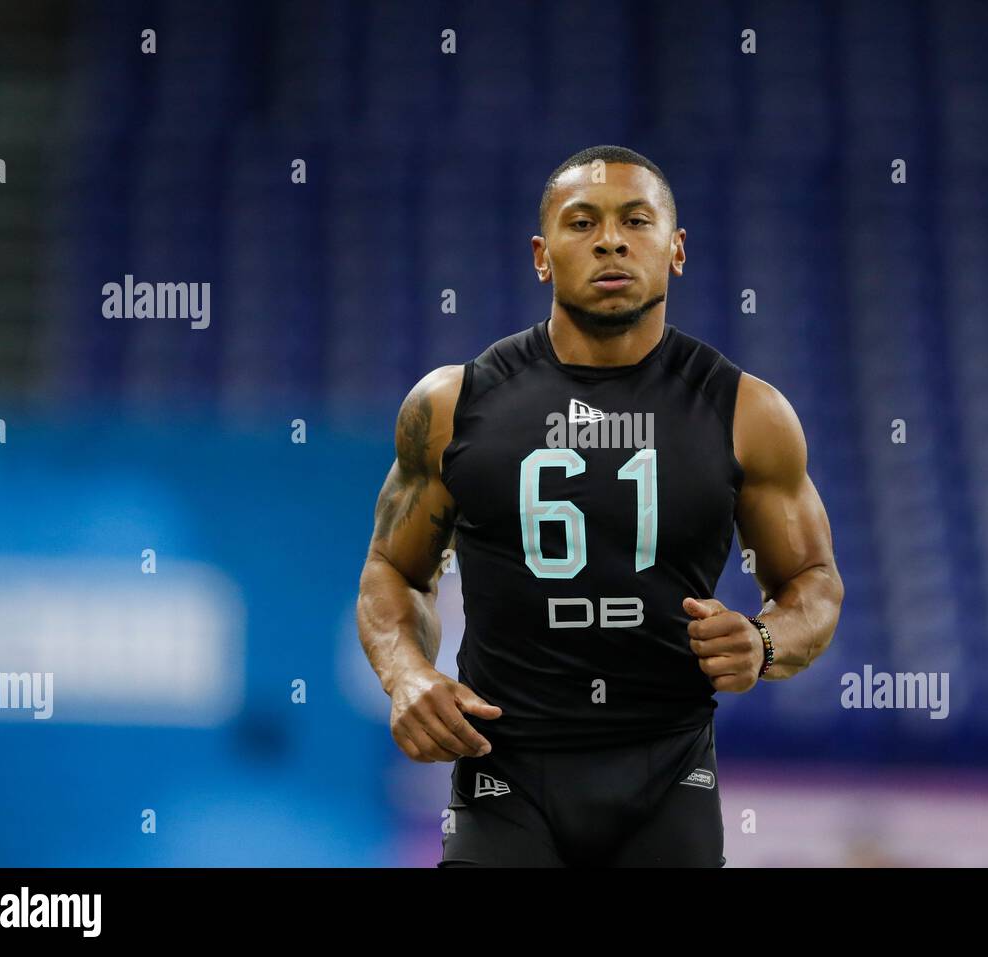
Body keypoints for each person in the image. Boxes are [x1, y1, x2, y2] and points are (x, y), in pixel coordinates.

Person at [356, 145, 843, 867]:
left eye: (636, 221)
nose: (610, 239)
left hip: (667, 770)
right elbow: (392, 571)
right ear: (541, 255)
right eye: (581, 222)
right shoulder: (454, 404)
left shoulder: (747, 412)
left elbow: (813, 583)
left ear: (675, 250)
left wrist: (764, 641)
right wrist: (408, 674)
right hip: (505, 765)